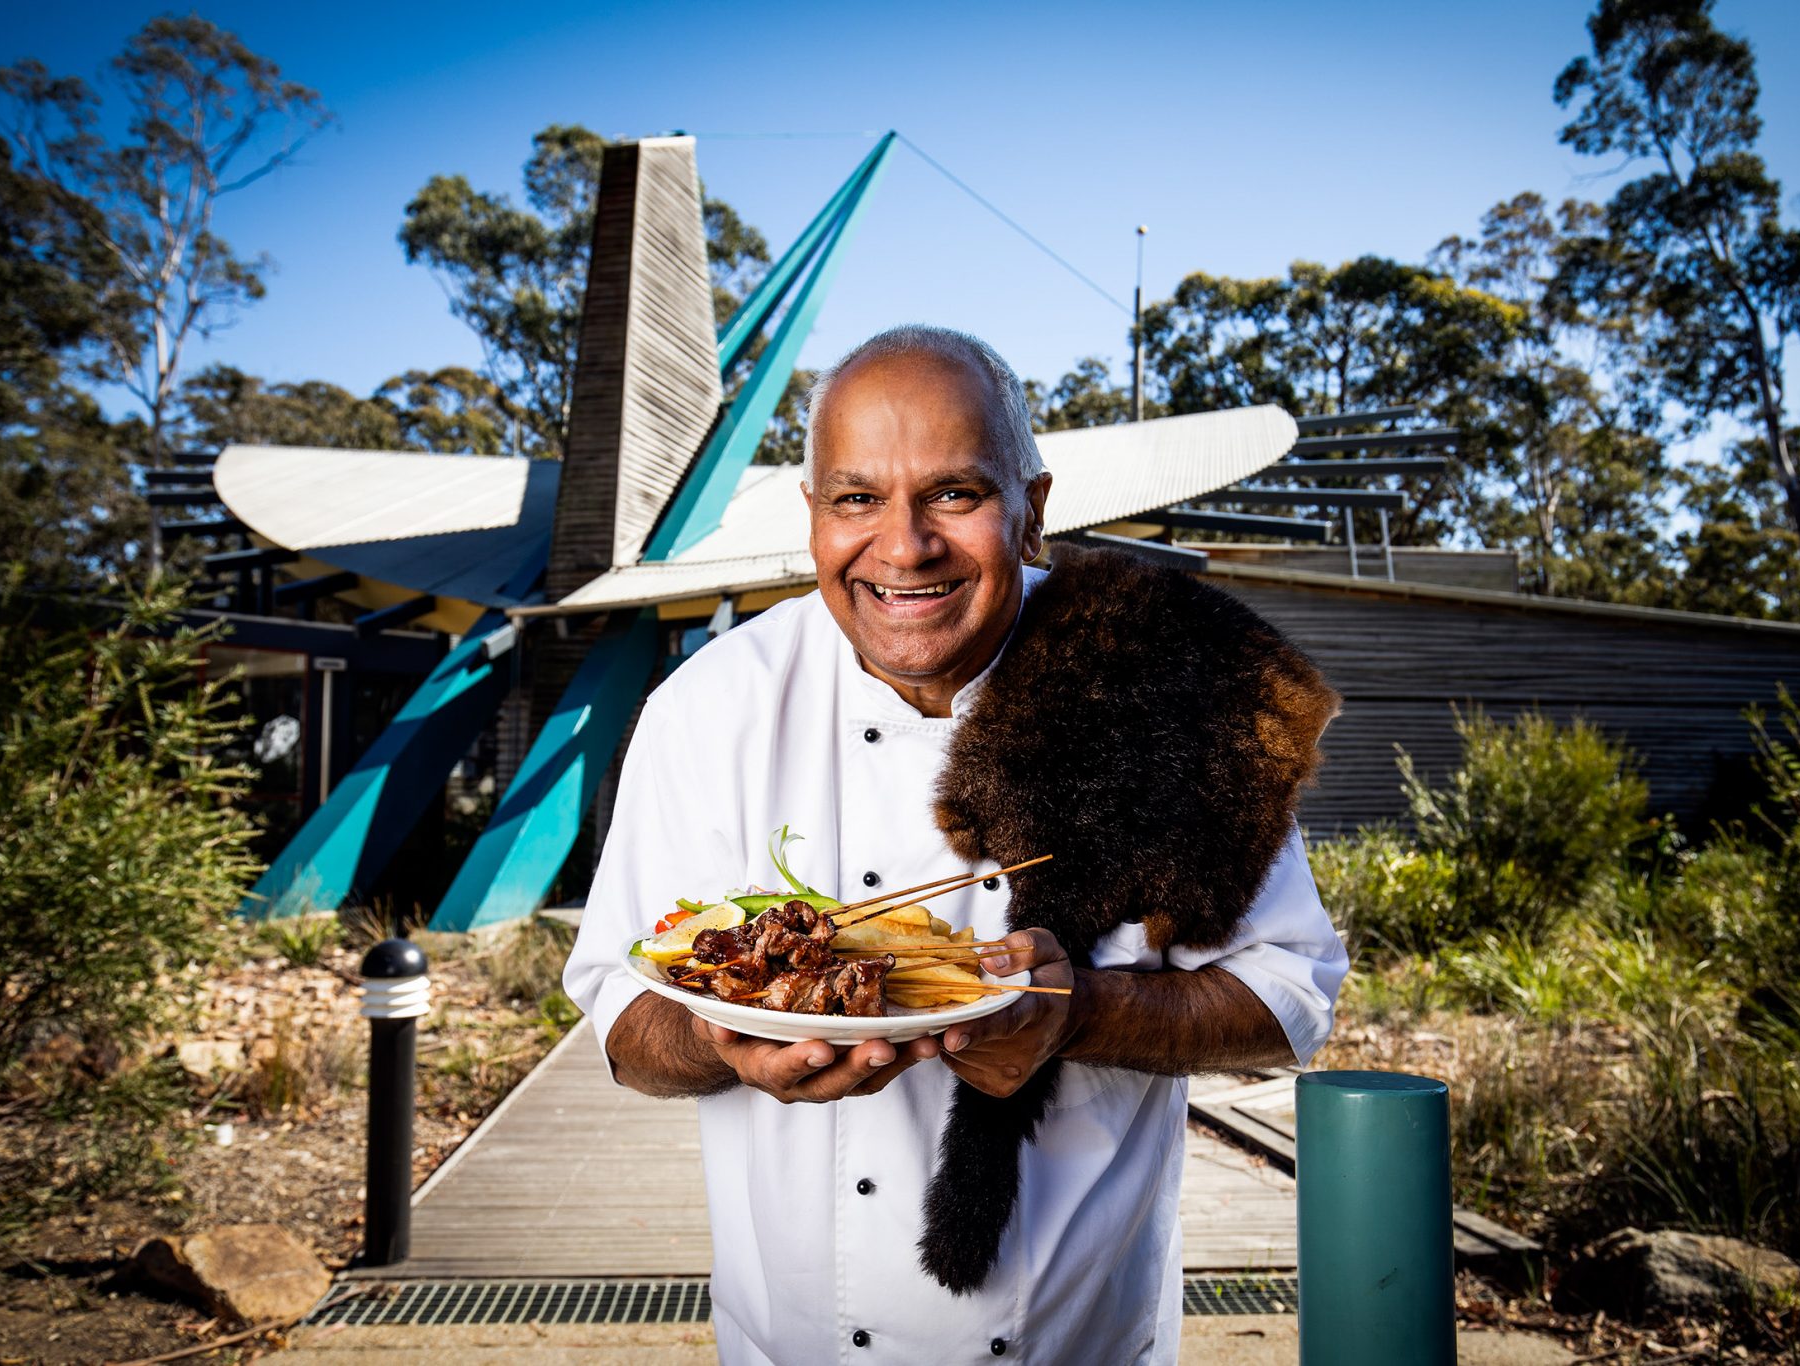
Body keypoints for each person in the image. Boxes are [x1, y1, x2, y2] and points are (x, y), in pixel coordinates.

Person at [561, 323, 1348, 1364]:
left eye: (954, 493)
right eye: (857, 498)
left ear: (1033, 512)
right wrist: (717, 1040)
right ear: (811, 518)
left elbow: (1287, 998)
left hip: (1081, 1347)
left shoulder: (1168, 687)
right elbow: (624, 1017)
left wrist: (1079, 1016)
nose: (902, 546)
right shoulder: (707, 706)